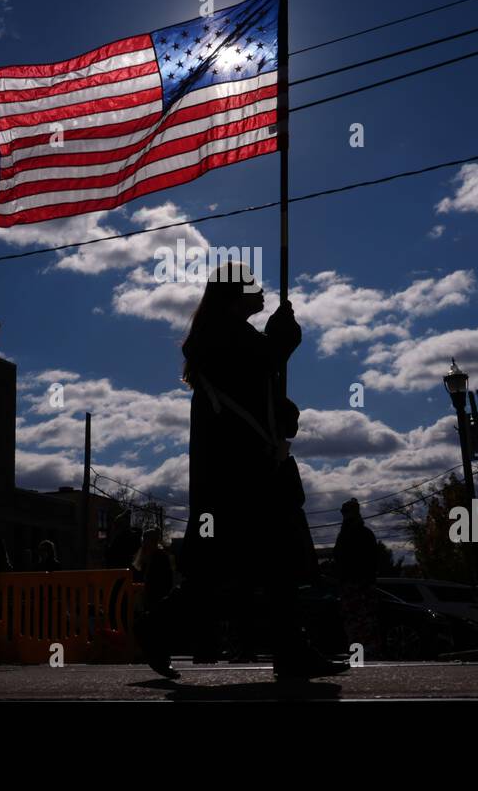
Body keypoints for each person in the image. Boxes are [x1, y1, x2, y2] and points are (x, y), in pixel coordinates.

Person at [140, 263, 347, 681]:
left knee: (265, 566)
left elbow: (259, 397)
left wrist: (283, 406)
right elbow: (256, 368)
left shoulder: (228, 337)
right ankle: (159, 628)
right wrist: (282, 341)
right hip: (238, 477)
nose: (264, 291)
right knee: (242, 568)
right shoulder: (222, 337)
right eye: (254, 287)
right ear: (235, 294)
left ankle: (289, 650)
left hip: (244, 472)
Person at [334, 499, 382, 656]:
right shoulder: (355, 534)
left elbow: (371, 560)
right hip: (356, 584)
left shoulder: (350, 535)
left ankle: (363, 652)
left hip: (358, 585)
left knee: (360, 620)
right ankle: (362, 651)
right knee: (360, 620)